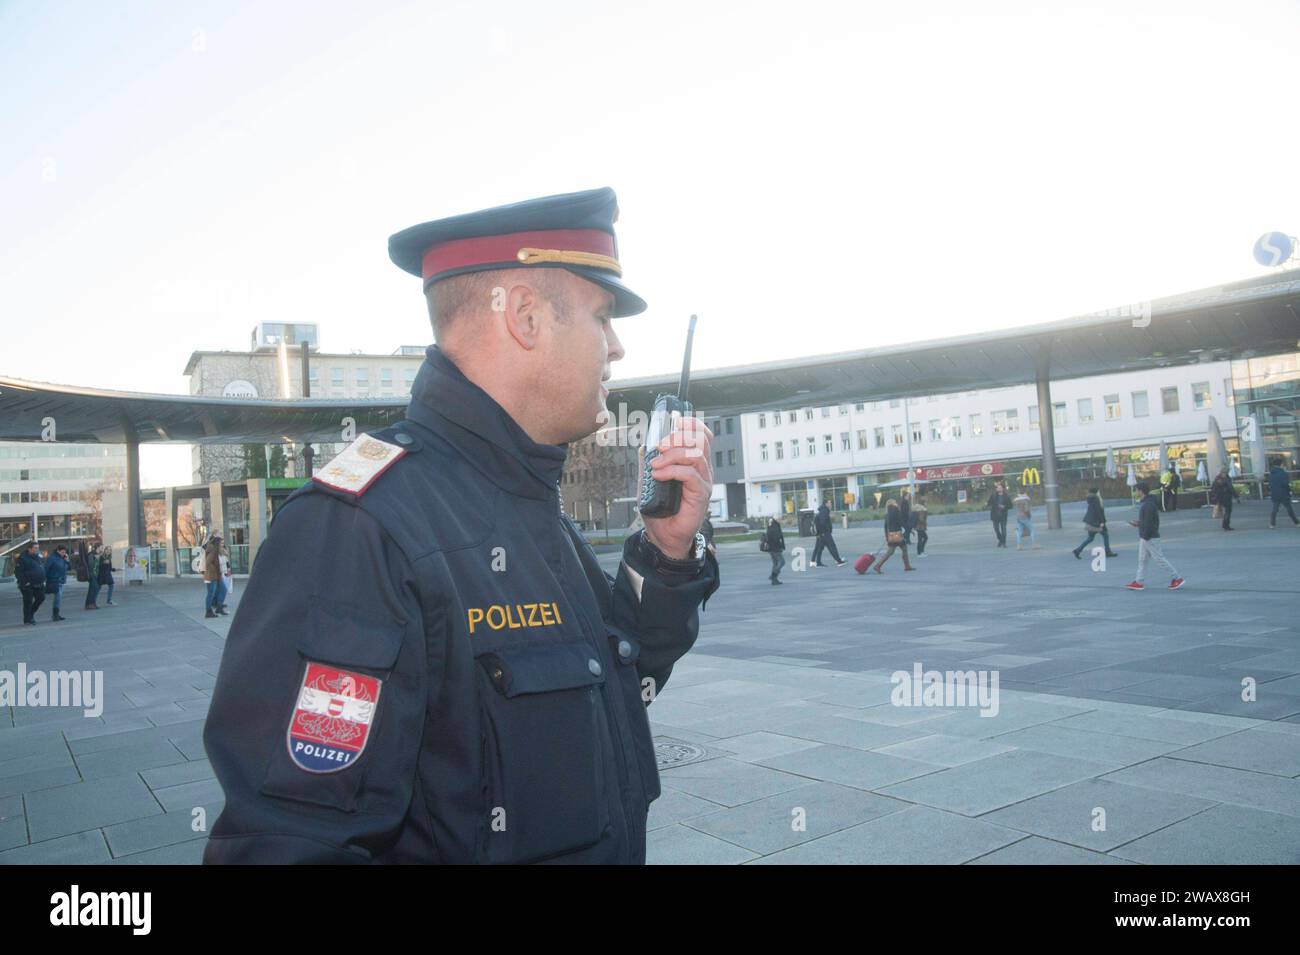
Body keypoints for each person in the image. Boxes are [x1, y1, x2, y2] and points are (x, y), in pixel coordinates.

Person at [203, 188, 719, 865]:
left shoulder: (528, 504)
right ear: (527, 318)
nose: (617, 346)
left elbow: (615, 679)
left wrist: (666, 550)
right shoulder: (361, 529)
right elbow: (285, 845)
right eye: (602, 316)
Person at [1126, 481, 1185, 591]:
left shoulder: (1147, 504)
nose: (1135, 492)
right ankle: (1139, 581)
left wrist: (1145, 533)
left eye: (1136, 490)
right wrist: (1139, 523)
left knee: (1159, 559)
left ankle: (1177, 577)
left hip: (1149, 536)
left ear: (1141, 491)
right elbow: (1148, 521)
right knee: (1142, 560)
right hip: (1146, 536)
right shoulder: (1148, 503)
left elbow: (1149, 523)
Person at [1072, 487, 1118, 559]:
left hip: (1090, 522)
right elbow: (1098, 511)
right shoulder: (1096, 498)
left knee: (1090, 538)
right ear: (1097, 492)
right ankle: (1108, 552)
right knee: (1105, 535)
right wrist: (1102, 522)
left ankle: (1077, 550)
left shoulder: (1090, 498)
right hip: (1097, 522)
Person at [870, 499, 914, 573]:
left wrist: (887, 538)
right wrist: (909, 530)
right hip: (898, 535)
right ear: (893, 503)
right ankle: (907, 566)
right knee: (904, 549)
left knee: (890, 552)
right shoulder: (896, 511)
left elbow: (885, 527)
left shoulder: (887, 514)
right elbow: (901, 522)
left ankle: (878, 565)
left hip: (891, 536)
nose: (896, 503)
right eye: (895, 502)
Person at [16, 541, 47, 625]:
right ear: (29, 549)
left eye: (38, 548)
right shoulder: (22, 558)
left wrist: (43, 579)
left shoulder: (38, 556)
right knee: (28, 602)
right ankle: (28, 619)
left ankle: (30, 615)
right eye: (35, 548)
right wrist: (25, 582)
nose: (37, 549)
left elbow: (41, 567)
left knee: (41, 598)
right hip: (27, 584)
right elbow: (18, 572)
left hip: (39, 583)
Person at [809, 498, 846, 567]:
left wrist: (819, 533)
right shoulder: (824, 511)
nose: (831, 504)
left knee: (819, 547)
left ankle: (816, 562)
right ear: (826, 504)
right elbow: (823, 522)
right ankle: (839, 561)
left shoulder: (823, 510)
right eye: (830, 503)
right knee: (832, 546)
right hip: (824, 533)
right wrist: (827, 530)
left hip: (821, 533)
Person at [1267, 460, 1299, 528]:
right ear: (1281, 465)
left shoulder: (1271, 473)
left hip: (1275, 493)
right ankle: (1296, 522)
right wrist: (1289, 492)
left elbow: (1270, 484)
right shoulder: (1283, 473)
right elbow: (1285, 484)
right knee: (1289, 509)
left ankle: (1272, 524)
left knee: (1275, 509)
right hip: (1284, 493)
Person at [44, 544, 71, 621]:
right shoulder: (52, 558)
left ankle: (56, 614)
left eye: (64, 552)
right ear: (58, 551)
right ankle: (55, 615)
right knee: (57, 597)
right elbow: (46, 568)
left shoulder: (63, 558)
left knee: (58, 598)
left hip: (61, 580)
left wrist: (67, 560)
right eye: (62, 552)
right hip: (54, 580)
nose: (63, 554)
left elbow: (69, 568)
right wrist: (45, 579)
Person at [202, 533, 226, 618]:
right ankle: (208, 611)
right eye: (221, 543)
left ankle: (219, 608)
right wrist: (215, 570)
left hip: (217, 575)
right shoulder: (212, 550)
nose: (222, 544)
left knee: (223, 589)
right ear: (217, 543)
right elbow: (208, 563)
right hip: (211, 576)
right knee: (211, 593)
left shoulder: (217, 550)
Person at [987, 481, 1011, 548]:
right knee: (996, 530)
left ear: (1003, 488)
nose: (999, 489)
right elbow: (989, 503)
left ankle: (1004, 543)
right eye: (998, 488)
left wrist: (1004, 506)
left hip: (1003, 515)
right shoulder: (993, 496)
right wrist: (990, 505)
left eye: (1000, 487)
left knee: (1004, 530)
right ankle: (1001, 540)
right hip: (995, 515)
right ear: (996, 489)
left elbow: (1010, 506)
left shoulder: (1007, 496)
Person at [765, 516, 785, 584]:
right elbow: (776, 538)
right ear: (777, 519)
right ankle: (773, 576)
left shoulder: (772, 525)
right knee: (782, 562)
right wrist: (780, 545)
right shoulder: (775, 527)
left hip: (771, 548)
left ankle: (774, 580)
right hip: (775, 548)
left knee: (775, 563)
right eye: (781, 519)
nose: (782, 521)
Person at [83, 542, 102, 610]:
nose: (102, 549)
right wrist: (96, 558)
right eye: (101, 547)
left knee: (91, 589)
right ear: (98, 547)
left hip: (95, 574)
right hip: (91, 574)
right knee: (96, 588)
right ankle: (91, 603)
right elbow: (90, 564)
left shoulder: (97, 554)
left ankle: (88, 604)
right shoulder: (91, 554)